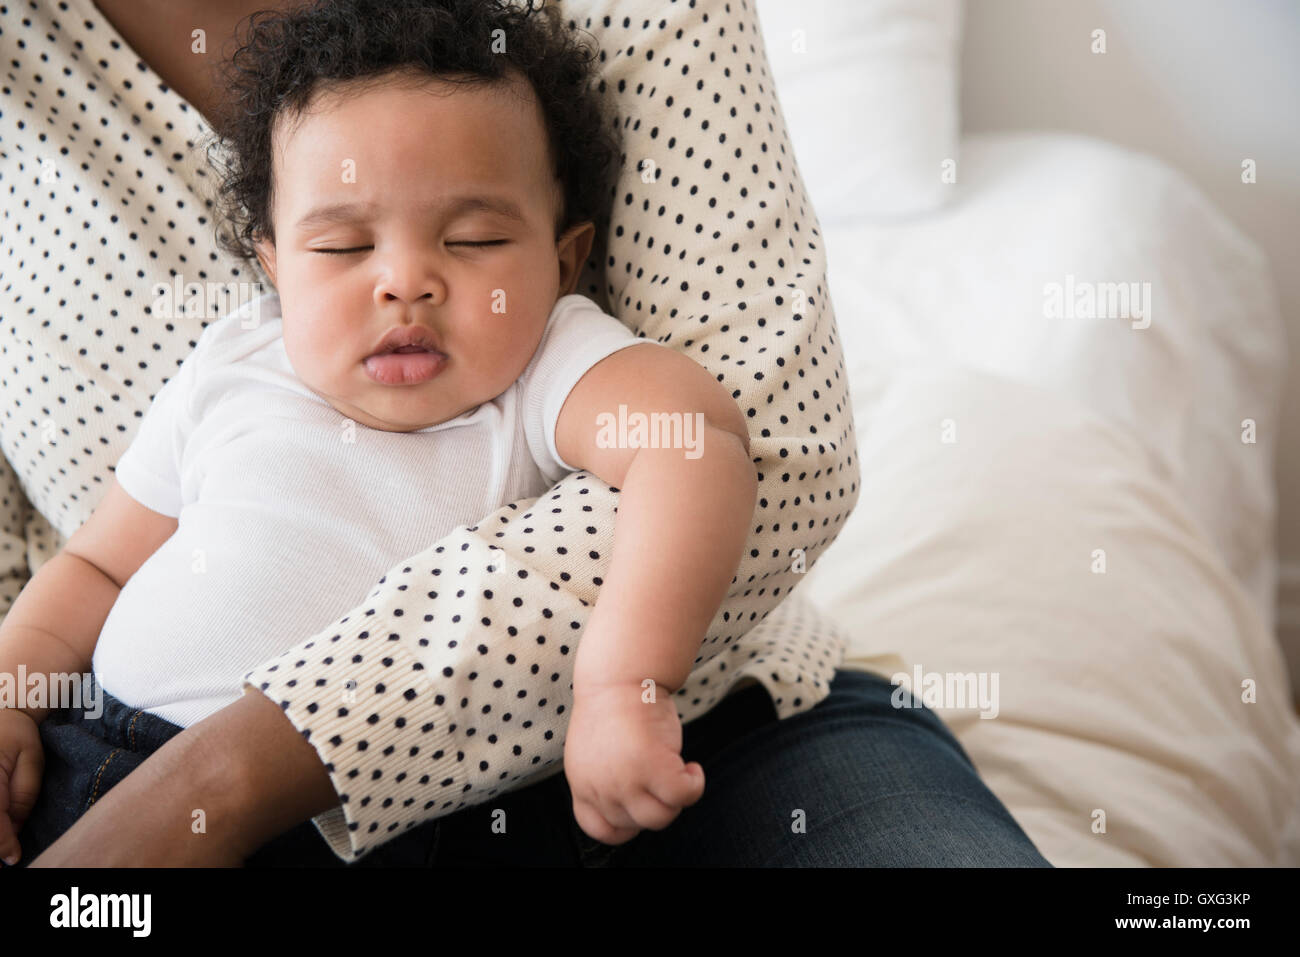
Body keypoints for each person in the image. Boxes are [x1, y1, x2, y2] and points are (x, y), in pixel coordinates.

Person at [0, 0, 1053, 867]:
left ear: (564, 258)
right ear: (273, 267)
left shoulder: (545, 363)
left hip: (403, 812)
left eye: (471, 238)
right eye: (344, 247)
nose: (405, 279)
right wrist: (12, 690)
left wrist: (624, 683)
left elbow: (700, 443)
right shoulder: (235, 360)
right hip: (91, 756)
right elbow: (96, 565)